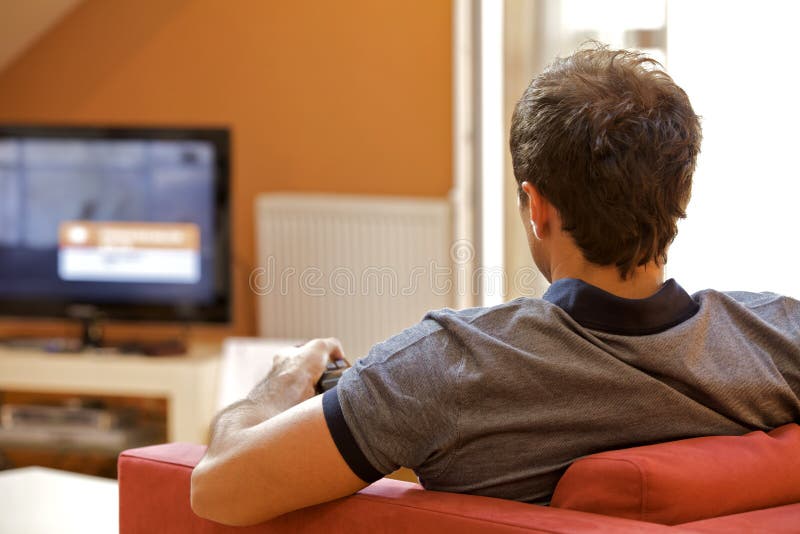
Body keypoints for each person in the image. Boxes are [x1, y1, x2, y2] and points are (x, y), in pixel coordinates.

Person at [190, 44, 800, 526]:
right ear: (681, 193)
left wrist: (280, 384)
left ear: (537, 208)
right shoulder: (780, 337)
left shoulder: (446, 368)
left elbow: (217, 488)